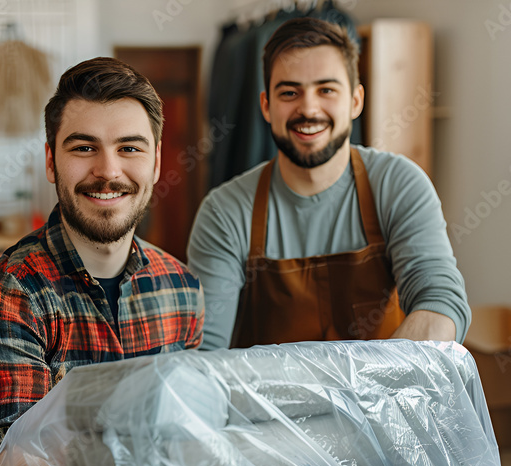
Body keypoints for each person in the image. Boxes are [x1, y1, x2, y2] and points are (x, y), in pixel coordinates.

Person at [0, 57, 205, 466]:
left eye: (130, 148)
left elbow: (186, 431)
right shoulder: (6, 298)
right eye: (84, 148)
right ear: (51, 161)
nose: (108, 171)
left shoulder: (182, 289)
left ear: (157, 164)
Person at [187, 17, 470, 350]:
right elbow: (206, 352)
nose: (308, 108)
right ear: (266, 106)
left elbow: (441, 305)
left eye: (326, 90)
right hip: (269, 402)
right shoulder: (225, 212)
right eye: (289, 92)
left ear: (355, 101)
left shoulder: (399, 184)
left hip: (384, 397)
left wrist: (368, 387)